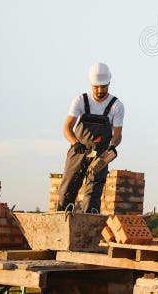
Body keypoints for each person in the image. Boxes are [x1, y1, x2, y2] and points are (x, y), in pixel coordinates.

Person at [56, 63, 125, 213]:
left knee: (93, 194)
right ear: (91, 84)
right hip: (79, 150)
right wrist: (75, 143)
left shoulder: (116, 106)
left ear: (109, 83)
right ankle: (62, 219)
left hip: (100, 155)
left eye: (103, 87)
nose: (100, 90)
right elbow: (67, 128)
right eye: (96, 87)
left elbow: (117, 135)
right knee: (67, 190)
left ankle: (89, 222)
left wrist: (112, 148)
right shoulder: (80, 100)